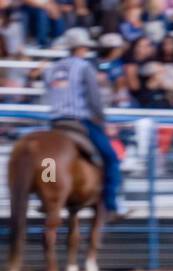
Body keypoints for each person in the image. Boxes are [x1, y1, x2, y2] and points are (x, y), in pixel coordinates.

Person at [43, 27, 128, 219]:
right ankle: (111, 204)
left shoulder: (52, 68)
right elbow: (94, 99)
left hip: (56, 121)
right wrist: (102, 120)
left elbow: (49, 92)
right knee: (111, 158)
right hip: (80, 120)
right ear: (81, 48)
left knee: (47, 159)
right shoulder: (84, 67)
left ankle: (44, 197)